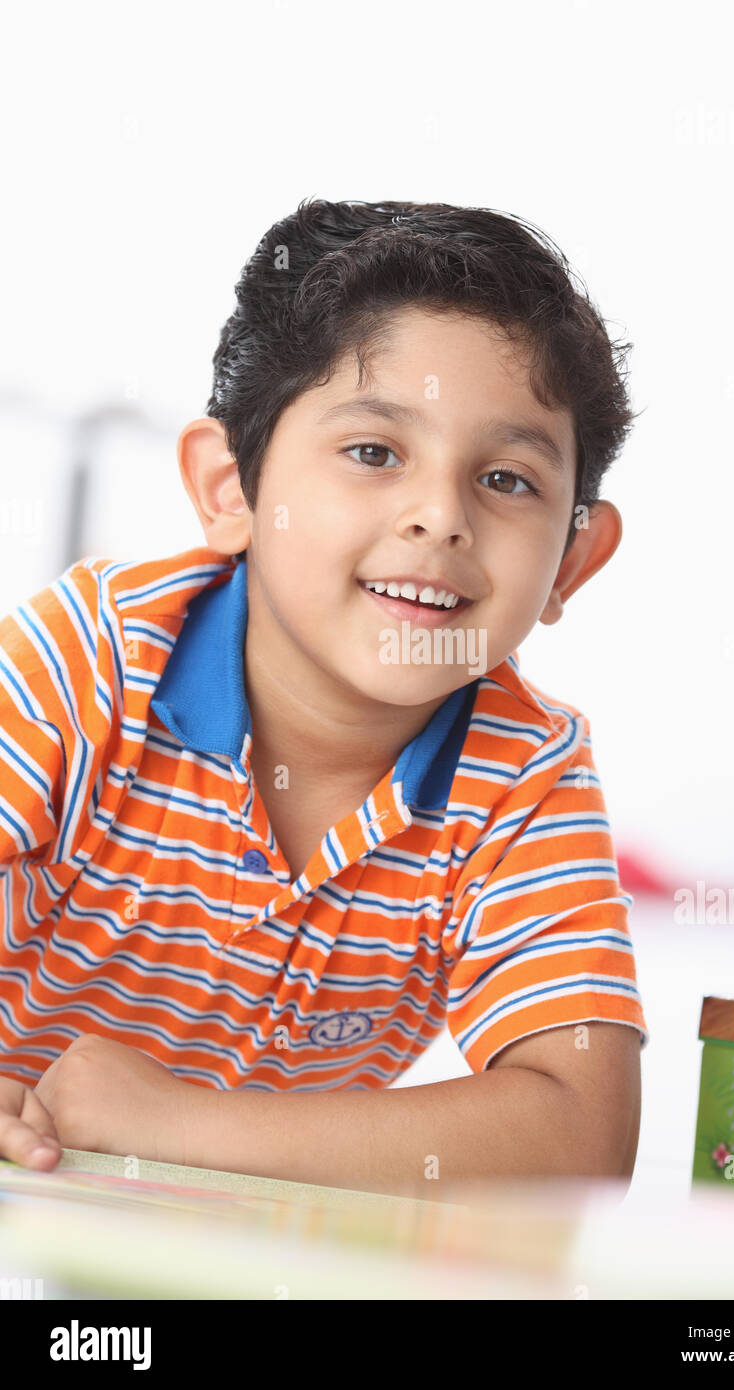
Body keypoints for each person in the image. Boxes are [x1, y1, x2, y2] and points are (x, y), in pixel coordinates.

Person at [0, 199, 648, 1196]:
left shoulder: (521, 774)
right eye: (374, 453)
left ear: (573, 557)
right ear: (230, 490)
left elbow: (579, 1132)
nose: (439, 516)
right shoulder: (88, 661)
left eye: (506, 478)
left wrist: (167, 1125)